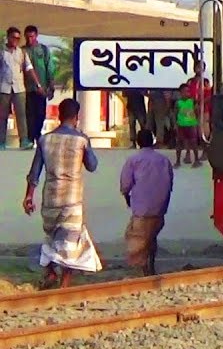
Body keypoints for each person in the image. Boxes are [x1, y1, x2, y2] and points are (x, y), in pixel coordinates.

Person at [22, 98, 102, 289]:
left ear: (59, 115)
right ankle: (64, 285)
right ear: (76, 117)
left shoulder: (44, 139)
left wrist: (28, 197)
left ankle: (49, 272)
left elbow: (34, 173)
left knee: (51, 238)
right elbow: (92, 166)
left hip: (50, 199)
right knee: (69, 243)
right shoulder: (81, 139)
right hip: (72, 200)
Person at [120, 129, 174, 276]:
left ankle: (143, 271)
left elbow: (125, 184)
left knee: (137, 240)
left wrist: (127, 198)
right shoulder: (164, 160)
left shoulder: (133, 160)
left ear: (138, 142)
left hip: (141, 207)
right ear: (153, 141)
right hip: (160, 207)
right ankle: (151, 266)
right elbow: (170, 182)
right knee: (152, 237)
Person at [1, 26, 43, 150]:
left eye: (18, 38)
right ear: (8, 37)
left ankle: (24, 141)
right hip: (3, 87)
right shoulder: (2, 52)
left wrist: (38, 84)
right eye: (14, 37)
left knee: (21, 115)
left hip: (19, 88)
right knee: (2, 116)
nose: (16, 40)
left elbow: (29, 69)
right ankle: (1, 141)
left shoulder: (22, 52)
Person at [23, 25, 55, 143]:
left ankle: (37, 133)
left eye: (31, 36)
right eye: (27, 37)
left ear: (36, 36)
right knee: (29, 114)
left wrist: (51, 86)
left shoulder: (43, 50)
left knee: (41, 114)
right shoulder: (23, 51)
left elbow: (50, 67)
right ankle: (31, 137)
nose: (29, 39)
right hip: (27, 88)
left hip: (42, 88)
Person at [174, 84, 200, 165]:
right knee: (179, 143)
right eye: (185, 91)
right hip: (181, 125)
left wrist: (196, 122)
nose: (187, 93)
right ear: (181, 93)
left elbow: (197, 112)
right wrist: (176, 124)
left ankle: (196, 160)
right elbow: (175, 113)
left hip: (191, 125)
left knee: (194, 142)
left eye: (188, 91)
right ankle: (178, 161)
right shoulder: (178, 102)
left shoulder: (192, 101)